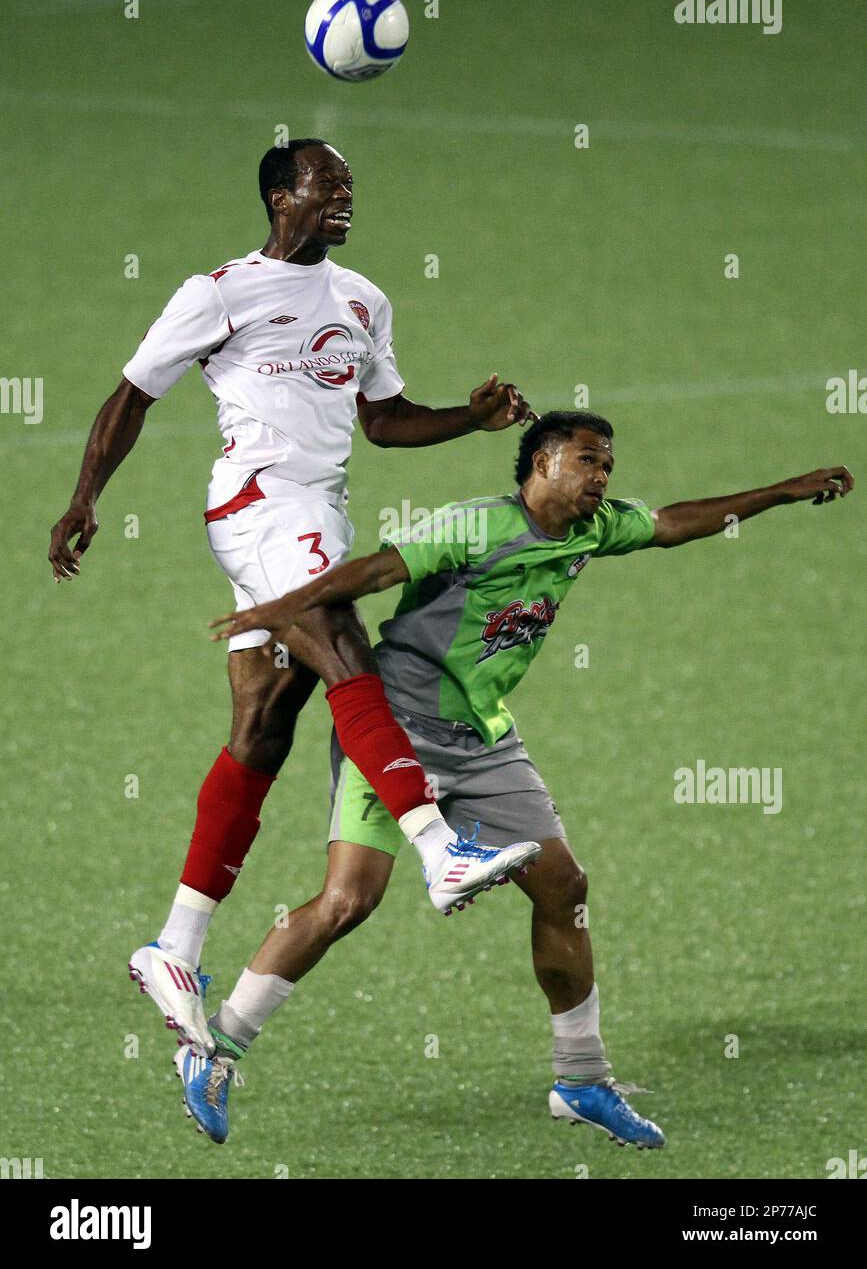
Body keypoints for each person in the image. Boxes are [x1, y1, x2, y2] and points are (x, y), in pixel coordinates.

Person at [185, 410, 853, 1148]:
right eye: (587, 461)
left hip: (484, 739)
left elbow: (671, 523)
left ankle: (581, 1080)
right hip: (397, 730)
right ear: (542, 463)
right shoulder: (477, 525)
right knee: (348, 901)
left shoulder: (592, 530)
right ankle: (214, 1049)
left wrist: (783, 491)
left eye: (607, 465)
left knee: (564, 887)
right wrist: (286, 606)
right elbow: (376, 571)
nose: (601, 477)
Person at [48, 139, 539, 1058]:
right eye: (327, 185)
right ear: (282, 197)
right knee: (345, 643)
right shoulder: (219, 292)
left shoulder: (363, 300)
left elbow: (383, 421)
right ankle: (439, 847)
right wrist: (86, 498)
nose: (345, 197)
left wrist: (470, 419)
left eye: (350, 186)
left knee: (265, 725)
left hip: (320, 513)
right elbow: (131, 397)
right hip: (259, 506)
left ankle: (174, 946)